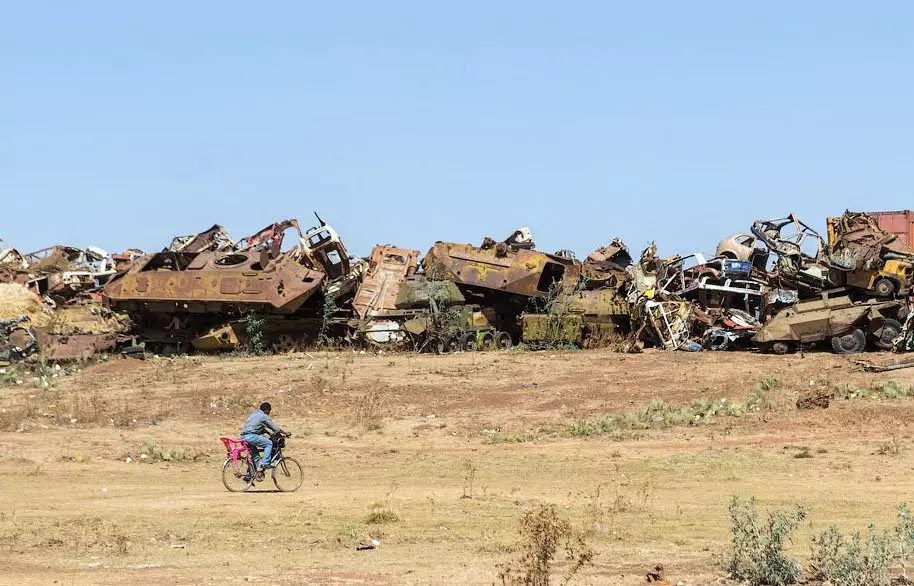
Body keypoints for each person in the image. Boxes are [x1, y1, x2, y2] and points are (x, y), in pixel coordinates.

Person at [240, 402, 287, 470]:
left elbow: (258, 428)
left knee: (255, 458)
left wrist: (268, 433)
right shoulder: (264, 416)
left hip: (243, 437)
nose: (269, 413)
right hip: (251, 437)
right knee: (269, 443)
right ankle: (265, 463)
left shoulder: (254, 414)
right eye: (269, 411)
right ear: (267, 410)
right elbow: (274, 427)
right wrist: (285, 433)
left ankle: (250, 476)